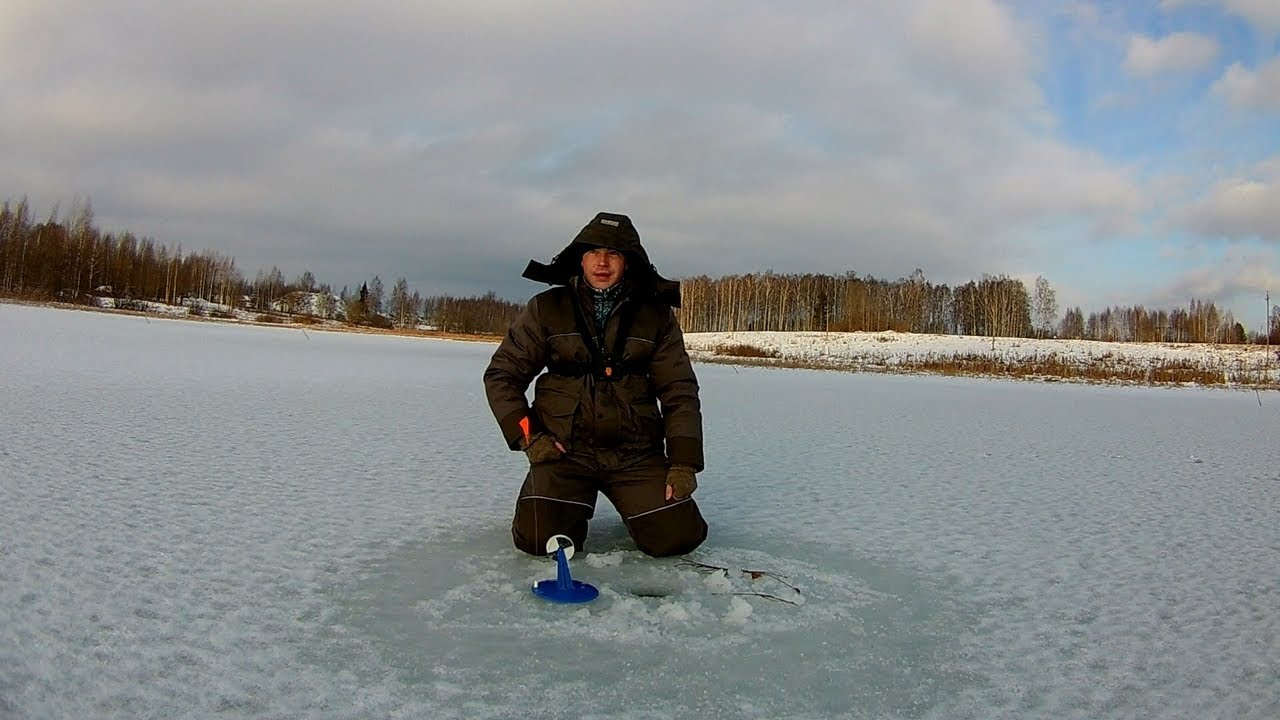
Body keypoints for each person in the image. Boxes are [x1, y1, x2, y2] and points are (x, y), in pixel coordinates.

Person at [483, 211, 708, 558]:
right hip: (564, 453)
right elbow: (502, 376)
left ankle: (638, 507)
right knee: (539, 540)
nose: (603, 262)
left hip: (636, 455)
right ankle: (558, 506)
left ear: (629, 262)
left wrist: (683, 462)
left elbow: (679, 391)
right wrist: (529, 436)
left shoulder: (656, 316)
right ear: (580, 258)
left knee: (677, 538)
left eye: (614, 253)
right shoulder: (546, 309)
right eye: (593, 252)